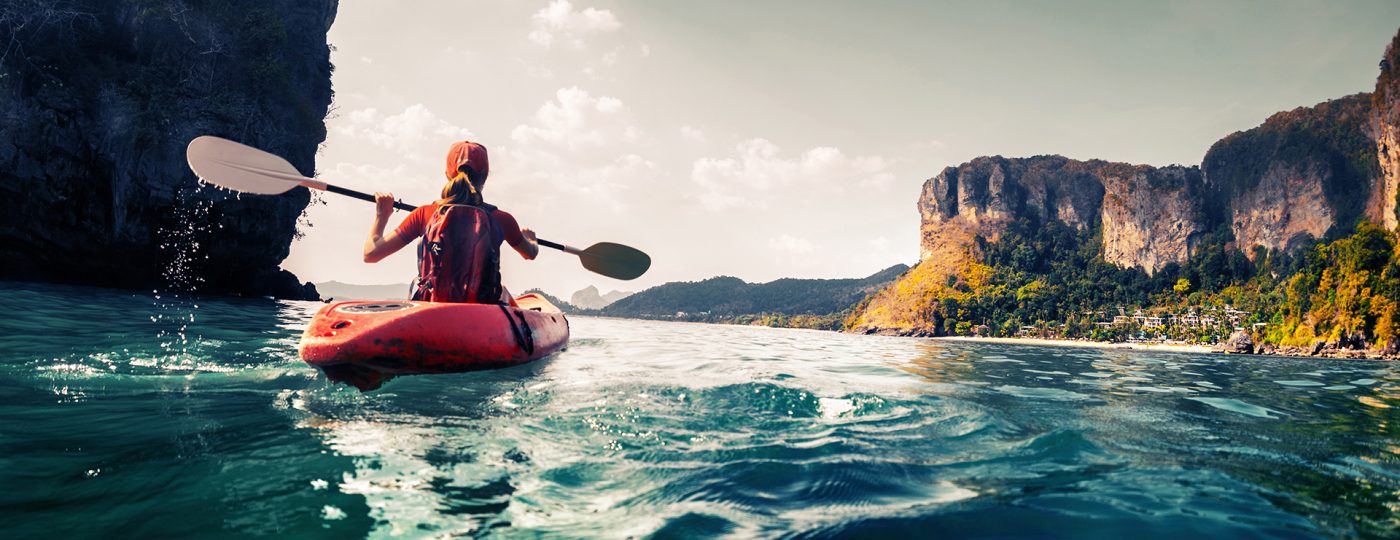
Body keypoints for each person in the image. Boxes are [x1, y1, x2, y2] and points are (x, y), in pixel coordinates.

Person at [362, 140, 538, 304]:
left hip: (432, 309)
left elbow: (371, 254)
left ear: (447, 174)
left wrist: (382, 215)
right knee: (504, 294)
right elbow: (530, 253)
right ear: (484, 176)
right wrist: (531, 239)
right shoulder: (501, 219)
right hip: (481, 311)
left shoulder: (424, 214)